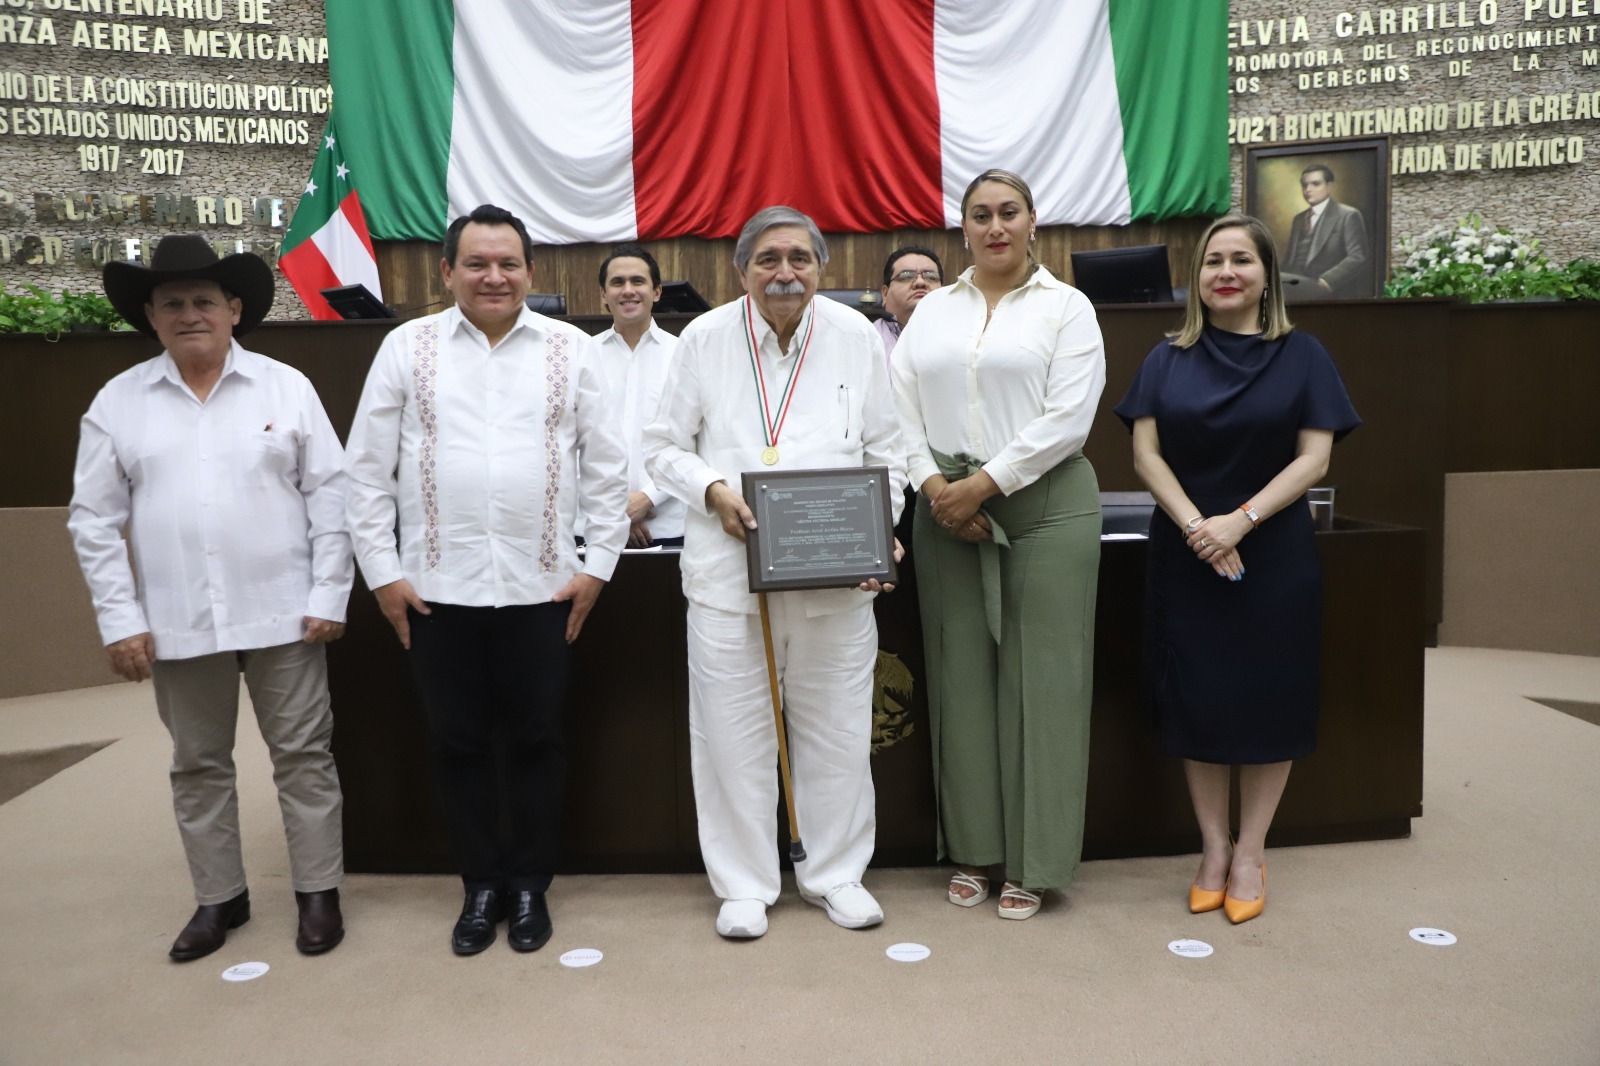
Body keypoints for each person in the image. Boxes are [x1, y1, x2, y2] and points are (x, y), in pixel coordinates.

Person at [343, 204, 629, 956]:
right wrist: (383, 576)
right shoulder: (408, 347)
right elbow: (366, 474)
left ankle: (530, 885)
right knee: (456, 744)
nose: (493, 276)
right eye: (477, 263)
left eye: (508, 264)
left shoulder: (572, 349)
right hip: (438, 591)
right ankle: (479, 886)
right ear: (447, 272)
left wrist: (597, 566)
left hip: (544, 590)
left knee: (537, 739)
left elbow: (607, 471)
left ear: (531, 273)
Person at [68, 235, 353, 961]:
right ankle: (218, 900)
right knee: (198, 764)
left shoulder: (286, 387)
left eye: (203, 301)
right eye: (173, 304)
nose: (189, 314)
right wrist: (120, 619)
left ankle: (318, 894)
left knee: (302, 756)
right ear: (152, 317)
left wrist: (329, 592)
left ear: (233, 310)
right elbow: (94, 521)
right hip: (176, 621)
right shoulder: (117, 403)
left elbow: (332, 494)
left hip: (285, 610)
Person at [643, 206, 907, 939]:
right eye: (768, 260)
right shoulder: (703, 338)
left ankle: (836, 874)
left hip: (836, 579)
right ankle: (745, 883)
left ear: (821, 267)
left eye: (798, 259)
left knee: (838, 730)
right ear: (741, 270)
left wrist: (878, 529)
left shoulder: (855, 336)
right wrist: (712, 490)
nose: (784, 272)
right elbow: (662, 447)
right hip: (730, 576)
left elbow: (887, 449)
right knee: (731, 733)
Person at [1112, 213, 1360, 924]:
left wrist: (1239, 522)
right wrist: (1199, 527)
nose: (1225, 271)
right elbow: (1146, 457)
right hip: (1187, 553)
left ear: (1265, 275)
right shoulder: (1167, 357)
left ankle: (1252, 849)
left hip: (1272, 551)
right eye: (1212, 260)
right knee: (1200, 698)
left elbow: (1314, 458)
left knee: (1267, 699)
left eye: (1240, 260)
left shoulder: (1304, 354)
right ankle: (1212, 847)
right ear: (1197, 279)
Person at [892, 170, 1105, 920]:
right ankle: (977, 851)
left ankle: (1035, 861)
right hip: (941, 507)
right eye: (979, 215)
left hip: (1044, 508)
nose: (994, 226)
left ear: (1033, 222)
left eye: (1007, 212)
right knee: (961, 684)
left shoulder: (1067, 309)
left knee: (1042, 687)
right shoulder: (933, 312)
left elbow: (1068, 419)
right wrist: (933, 490)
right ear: (964, 229)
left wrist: (981, 486)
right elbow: (899, 409)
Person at [587, 243, 685, 547]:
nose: (628, 290)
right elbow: (568, 442)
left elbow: (694, 441)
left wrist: (647, 498)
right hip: (593, 526)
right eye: (617, 282)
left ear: (656, 292)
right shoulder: (581, 356)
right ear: (603, 294)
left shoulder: (683, 355)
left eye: (637, 281)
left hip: (668, 526)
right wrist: (615, 510)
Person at [1281, 164, 1370, 298]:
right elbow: (1290, 262)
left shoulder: (1348, 215)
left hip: (1325, 288)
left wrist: (1326, 282)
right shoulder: (1298, 219)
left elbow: (1357, 256)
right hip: (1294, 288)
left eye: (1315, 184)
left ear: (1329, 187)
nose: (1308, 189)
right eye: (1304, 185)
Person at [875, 245, 943, 360]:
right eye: (906, 276)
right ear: (885, 294)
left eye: (931, 277)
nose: (920, 282)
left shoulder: (962, 336)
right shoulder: (867, 337)